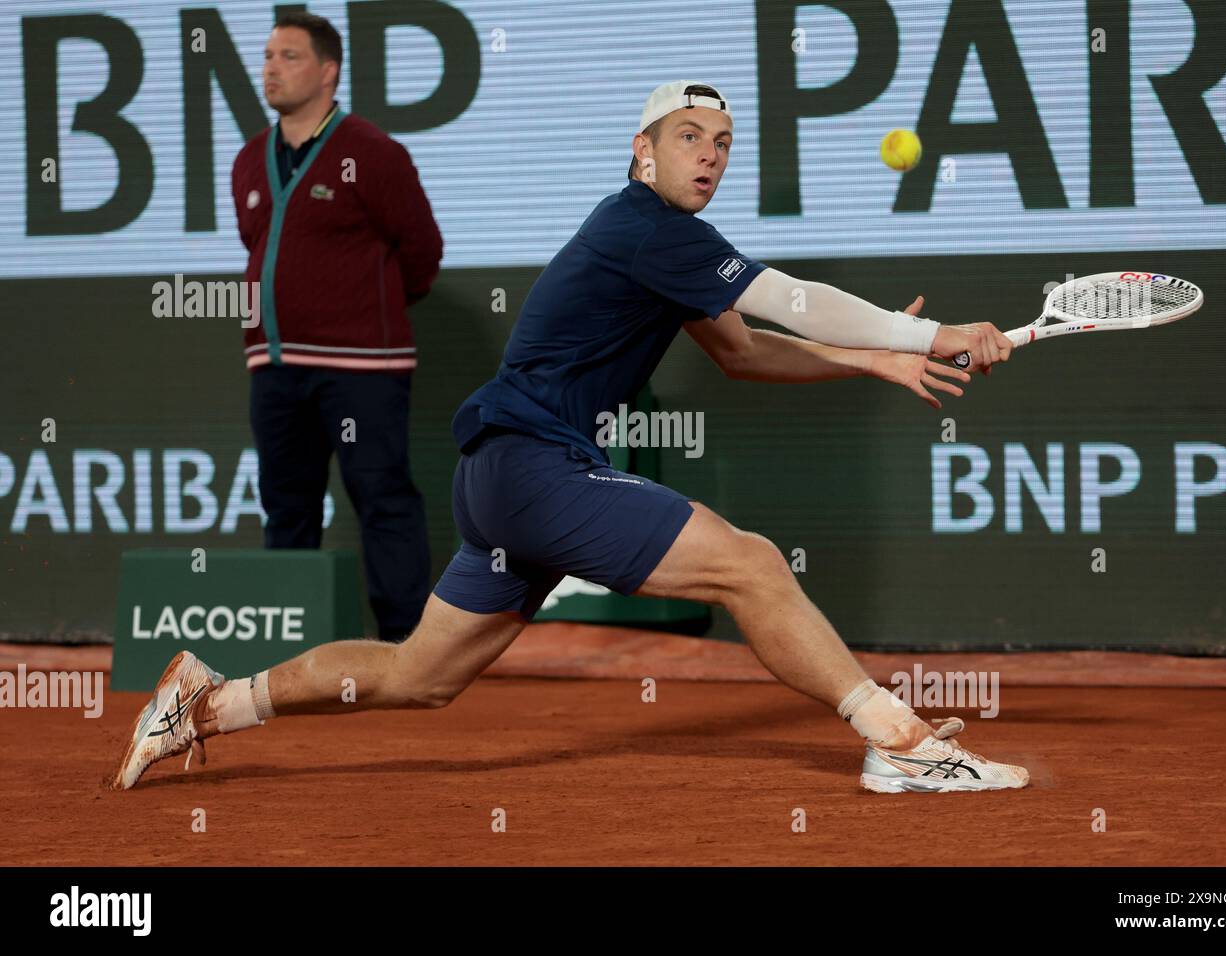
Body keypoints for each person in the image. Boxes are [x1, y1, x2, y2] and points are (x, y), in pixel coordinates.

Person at [112, 81, 1024, 794]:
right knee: (750, 564)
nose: (709, 155)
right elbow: (786, 299)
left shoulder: (659, 241)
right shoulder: (650, 228)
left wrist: (870, 362)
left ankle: (209, 701)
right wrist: (929, 335)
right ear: (643, 150)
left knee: (417, 676)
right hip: (532, 467)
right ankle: (897, 741)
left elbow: (744, 351)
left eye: (722, 143)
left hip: (504, 478)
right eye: (689, 137)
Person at [235, 11, 442, 642]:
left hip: (362, 368)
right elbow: (259, 245)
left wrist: (361, 314)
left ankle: (407, 648)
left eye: (288, 56)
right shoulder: (248, 160)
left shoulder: (373, 153)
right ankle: (288, 650)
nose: (270, 68)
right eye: (267, 55)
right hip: (274, 366)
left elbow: (421, 251)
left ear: (328, 72)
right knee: (284, 506)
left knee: (383, 497)